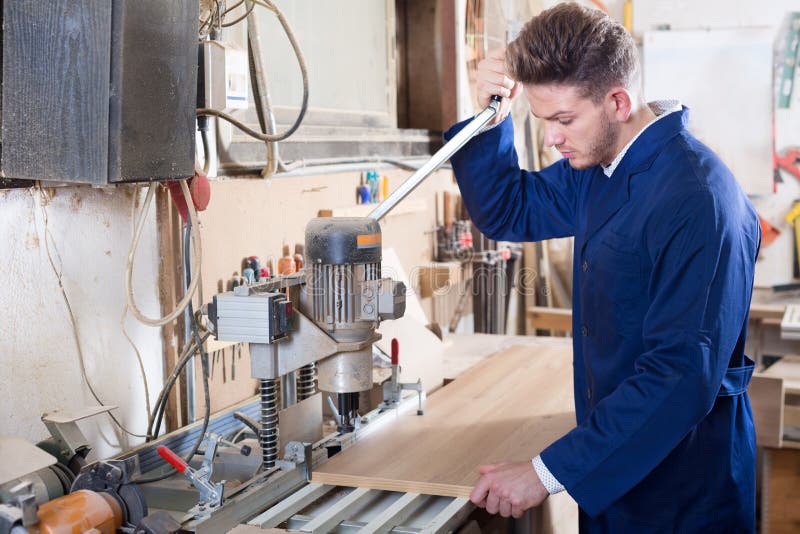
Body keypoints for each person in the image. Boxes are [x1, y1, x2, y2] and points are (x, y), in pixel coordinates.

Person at [446, 3, 761, 532]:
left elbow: (679, 378)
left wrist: (544, 473)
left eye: (563, 120)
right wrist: (494, 118)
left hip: (685, 487)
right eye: (543, 121)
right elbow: (508, 209)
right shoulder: (602, 168)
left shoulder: (696, 199)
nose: (551, 139)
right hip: (614, 461)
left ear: (617, 101)